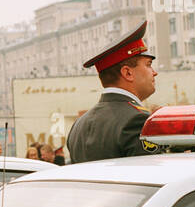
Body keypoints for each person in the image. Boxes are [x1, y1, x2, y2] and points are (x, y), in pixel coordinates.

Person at [67, 23, 159, 163]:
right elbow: (152, 176)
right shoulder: (137, 120)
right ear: (128, 73)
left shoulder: (80, 124)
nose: (154, 72)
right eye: (148, 65)